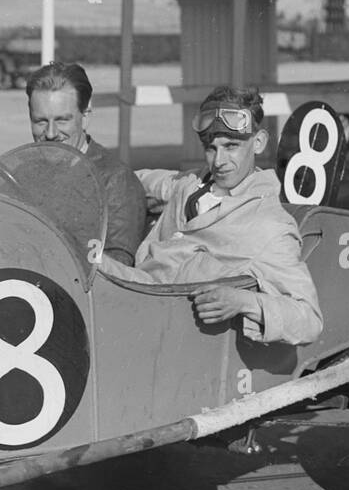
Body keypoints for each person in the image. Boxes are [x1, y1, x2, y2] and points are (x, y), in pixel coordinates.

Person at [97, 85, 323, 347]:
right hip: (129, 297)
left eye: (231, 146)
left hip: (170, 326)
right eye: (211, 148)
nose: (218, 161)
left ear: (258, 142)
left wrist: (244, 302)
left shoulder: (270, 226)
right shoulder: (190, 183)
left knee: (80, 258)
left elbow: (309, 320)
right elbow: (127, 182)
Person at [26, 62, 147, 267]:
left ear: (86, 114)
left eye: (62, 120)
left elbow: (118, 266)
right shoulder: (20, 173)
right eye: (40, 121)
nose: (51, 133)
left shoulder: (115, 181)